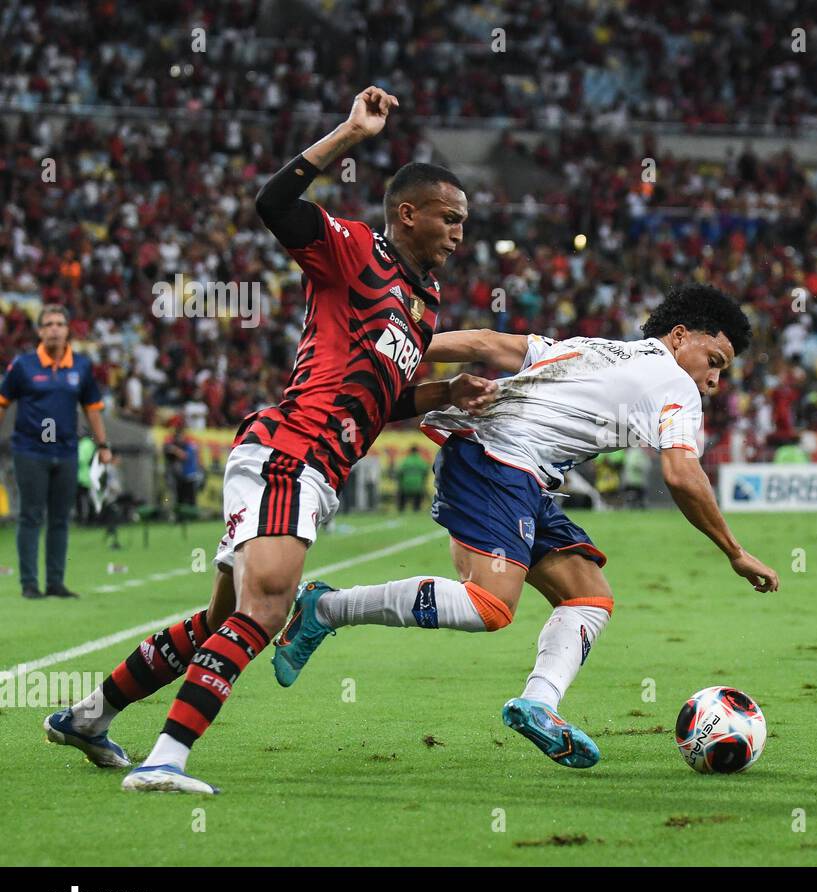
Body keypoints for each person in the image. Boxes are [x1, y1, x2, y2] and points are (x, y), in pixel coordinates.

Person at [46, 86, 493, 793]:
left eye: (464, 223)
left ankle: (90, 716)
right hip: (294, 450)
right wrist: (349, 134)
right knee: (269, 607)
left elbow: (377, 399)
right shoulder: (354, 251)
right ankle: (166, 760)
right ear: (408, 214)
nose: (460, 234)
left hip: (310, 457)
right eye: (450, 219)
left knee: (222, 620)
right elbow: (272, 207)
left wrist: (445, 392)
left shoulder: (425, 303)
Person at [272, 284, 780, 769]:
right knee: (489, 606)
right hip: (496, 461)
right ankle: (326, 608)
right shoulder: (674, 384)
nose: (714, 381)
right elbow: (682, 474)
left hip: (519, 474)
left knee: (588, 596)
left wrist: (398, 347)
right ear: (680, 335)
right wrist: (734, 550)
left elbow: (487, 343)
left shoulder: (596, 349)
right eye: (714, 363)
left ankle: (538, 704)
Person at [0, 305, 112, 599]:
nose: (53, 328)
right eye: (48, 324)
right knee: (30, 515)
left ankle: (55, 582)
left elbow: (93, 409)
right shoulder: (23, 365)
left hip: (66, 451)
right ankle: (28, 584)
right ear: (39, 331)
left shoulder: (81, 366)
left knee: (61, 518)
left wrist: (103, 445)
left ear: (67, 330)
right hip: (30, 451)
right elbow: (2, 401)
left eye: (59, 323)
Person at [395, 444, 429, 511]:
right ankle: (416, 509)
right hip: (418, 485)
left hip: (406, 485)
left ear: (410, 451)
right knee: (417, 499)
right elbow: (425, 471)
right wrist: (422, 481)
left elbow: (399, 472)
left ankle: (401, 509)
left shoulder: (406, 460)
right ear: (417, 451)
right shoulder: (421, 461)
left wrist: (400, 483)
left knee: (402, 498)